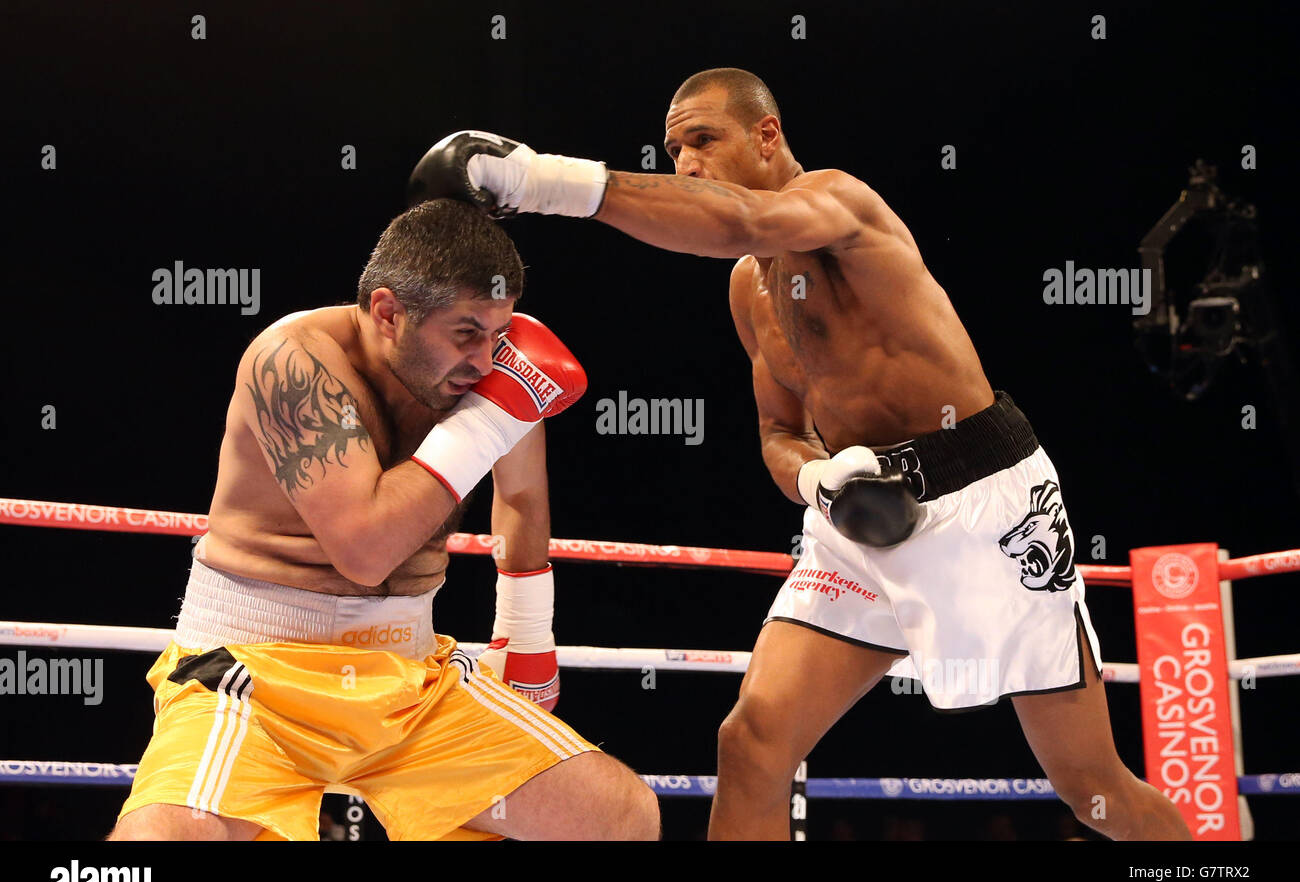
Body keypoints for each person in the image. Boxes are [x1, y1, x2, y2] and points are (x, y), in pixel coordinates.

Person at [409, 68, 1192, 840]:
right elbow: (778, 434)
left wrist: (543, 182)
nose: (685, 165)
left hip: (983, 501)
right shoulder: (749, 289)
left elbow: (741, 220)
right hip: (859, 522)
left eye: (702, 141)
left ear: (767, 133)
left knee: (1091, 787)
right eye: (674, 150)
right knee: (751, 744)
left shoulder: (840, 203)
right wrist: (821, 478)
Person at [109, 198, 659, 841]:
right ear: (389, 312)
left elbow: (523, 497)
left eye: (497, 331)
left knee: (618, 815)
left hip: (410, 677)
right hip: (251, 671)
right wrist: (491, 417)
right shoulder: (293, 362)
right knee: (172, 836)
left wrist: (526, 634)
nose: (486, 361)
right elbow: (366, 549)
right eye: (465, 333)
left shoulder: (486, 366)